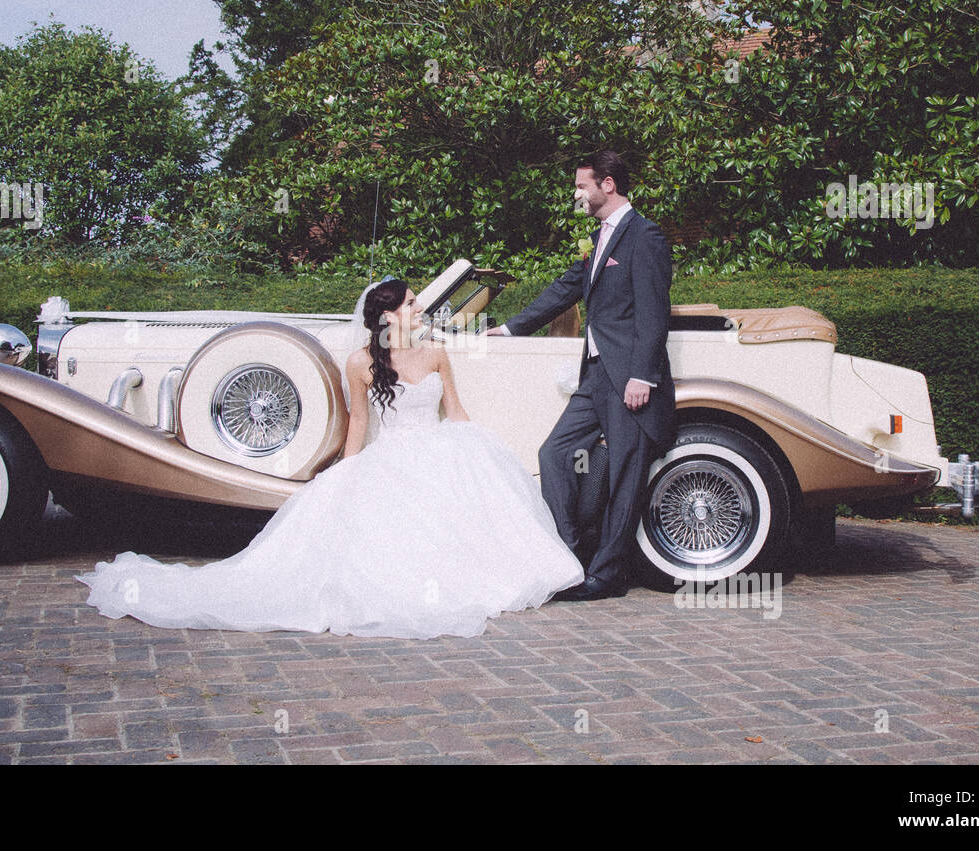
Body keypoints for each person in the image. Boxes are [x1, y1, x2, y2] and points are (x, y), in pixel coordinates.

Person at [77, 278, 583, 638]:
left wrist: (480, 454)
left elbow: (456, 412)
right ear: (388, 316)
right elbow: (359, 424)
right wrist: (347, 470)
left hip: (441, 447)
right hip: (395, 454)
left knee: (473, 505)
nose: (418, 310)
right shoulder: (360, 362)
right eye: (411, 304)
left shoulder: (434, 354)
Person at [488, 151, 675, 601]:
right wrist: (511, 328)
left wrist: (643, 376)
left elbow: (654, 311)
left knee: (626, 475)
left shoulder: (644, 236)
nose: (576, 194)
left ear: (607, 185)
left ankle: (607, 576)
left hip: (627, 376)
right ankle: (568, 553)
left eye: (581, 186)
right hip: (593, 375)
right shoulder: (599, 238)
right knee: (553, 453)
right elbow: (565, 289)